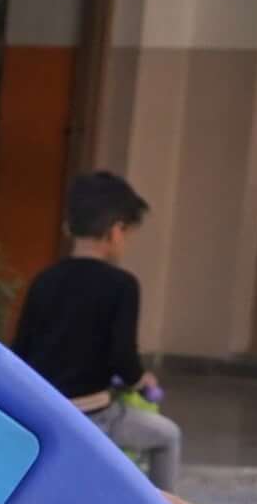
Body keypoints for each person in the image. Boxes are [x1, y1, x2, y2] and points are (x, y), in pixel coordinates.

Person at [12, 173, 180, 487]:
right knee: (167, 437)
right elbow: (123, 359)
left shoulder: (44, 280)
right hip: (94, 418)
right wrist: (142, 380)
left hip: (43, 412)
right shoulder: (122, 285)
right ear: (116, 231)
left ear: (68, 227)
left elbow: (21, 350)